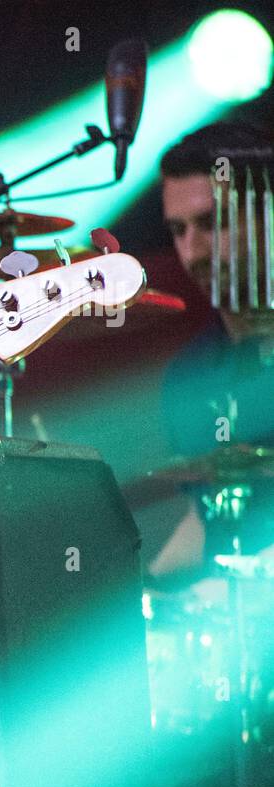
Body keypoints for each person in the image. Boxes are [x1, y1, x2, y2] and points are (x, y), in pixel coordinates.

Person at [151, 120, 274, 579]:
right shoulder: (189, 376)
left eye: (213, 223)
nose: (192, 252)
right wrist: (145, 597)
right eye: (178, 230)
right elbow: (208, 519)